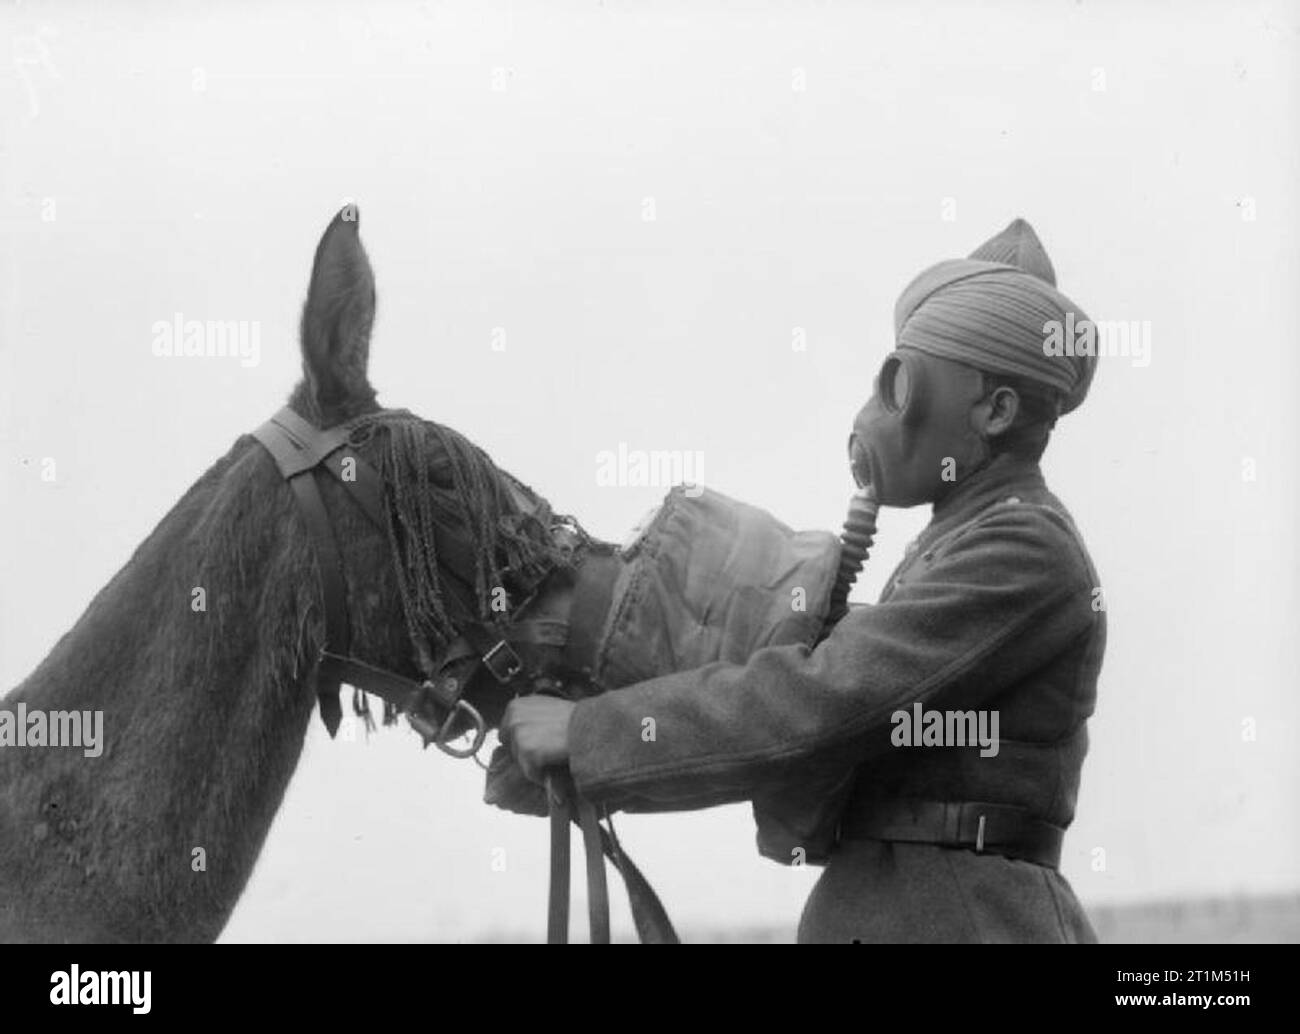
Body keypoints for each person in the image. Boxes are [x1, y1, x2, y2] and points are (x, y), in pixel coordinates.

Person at [500, 218, 1106, 943]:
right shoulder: (956, 540)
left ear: (996, 410)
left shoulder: (1025, 548)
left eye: (902, 385)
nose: (878, 412)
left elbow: (822, 700)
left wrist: (589, 734)